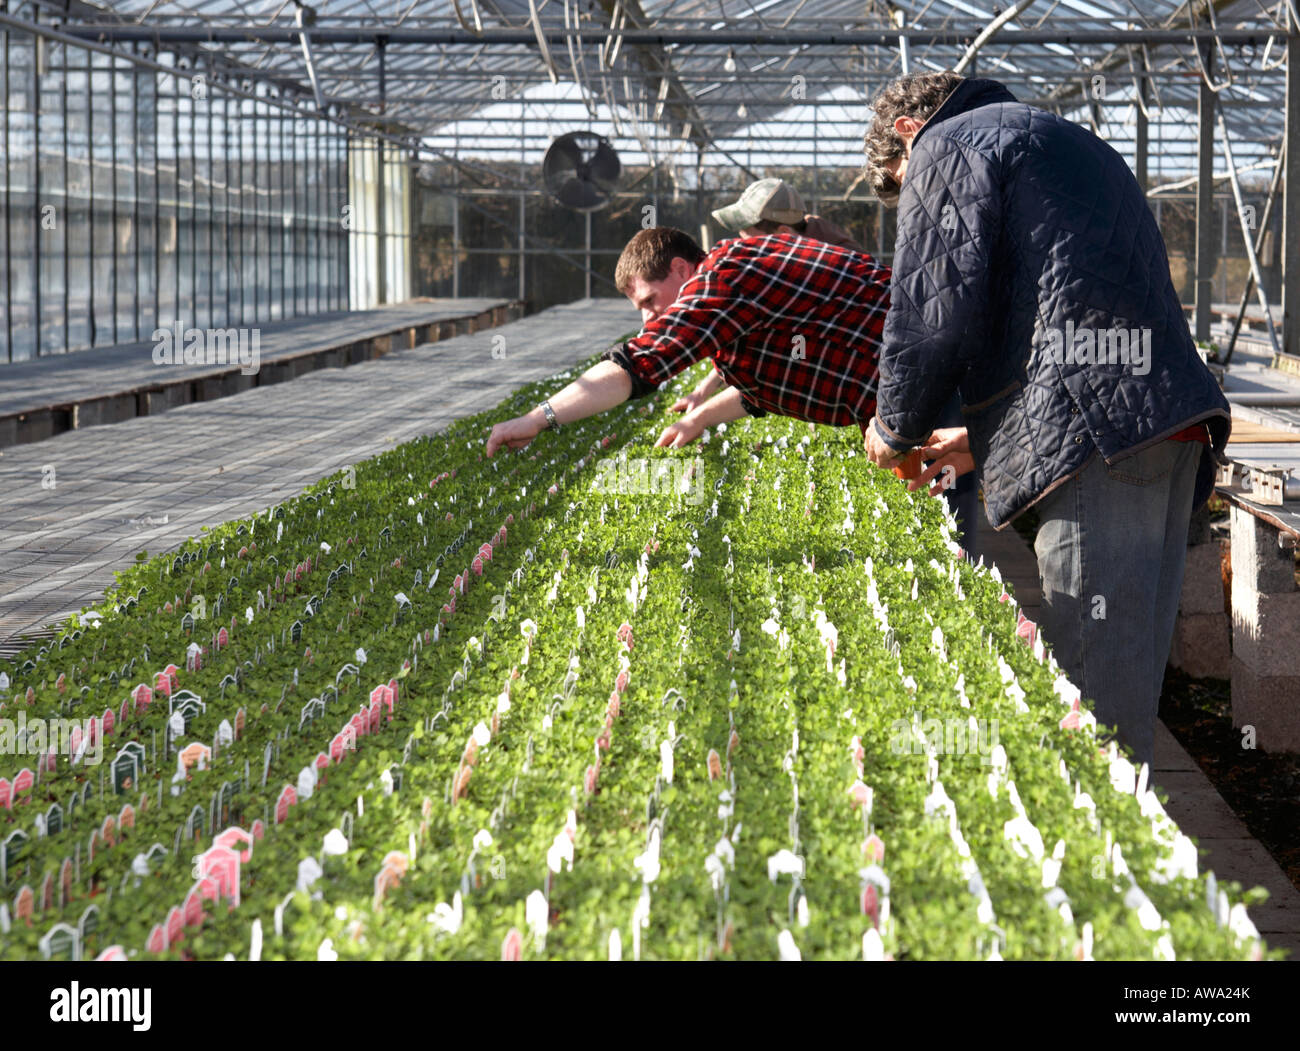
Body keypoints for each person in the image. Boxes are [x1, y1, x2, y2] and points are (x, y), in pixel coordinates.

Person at [859, 71, 1231, 767]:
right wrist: (981, 437)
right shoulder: (1049, 136)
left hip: (1103, 438)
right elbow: (1065, 305)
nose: (913, 198)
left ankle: (1096, 867)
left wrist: (894, 426)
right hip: (1159, 421)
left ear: (908, 134)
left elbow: (934, 310)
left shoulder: (949, 144)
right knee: (1124, 677)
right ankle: (1124, 850)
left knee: (1093, 701)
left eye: (901, 182)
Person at [485, 225, 890, 461]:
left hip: (930, 365)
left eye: (649, 300)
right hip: (912, 383)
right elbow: (763, 388)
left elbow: (638, 365)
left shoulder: (723, 278)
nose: (649, 317)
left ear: (680, 268)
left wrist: (537, 420)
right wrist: (698, 419)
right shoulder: (729, 302)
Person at [711, 177, 864, 252]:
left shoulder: (835, 266)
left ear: (784, 234)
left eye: (750, 242)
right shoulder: (809, 236)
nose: (745, 248)